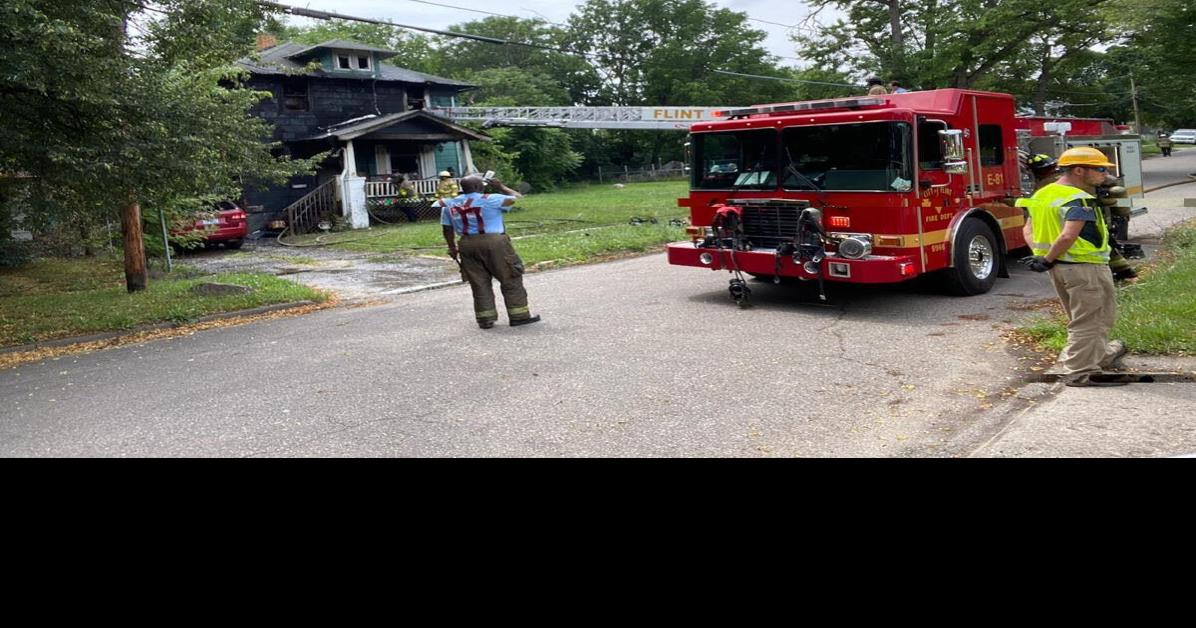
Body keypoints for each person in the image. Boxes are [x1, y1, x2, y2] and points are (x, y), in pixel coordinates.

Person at [1020, 146, 1127, 387]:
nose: (1104, 175)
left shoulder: (1042, 194)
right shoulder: (1079, 200)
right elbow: (1069, 236)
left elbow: (1027, 229)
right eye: (1099, 169)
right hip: (1085, 267)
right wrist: (1047, 258)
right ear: (1079, 170)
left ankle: (1096, 356)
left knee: (1093, 317)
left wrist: (1043, 257)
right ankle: (1080, 372)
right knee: (1089, 320)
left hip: (1060, 268)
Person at [440, 175, 541, 329]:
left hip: (466, 244)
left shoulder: (449, 204)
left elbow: (447, 229)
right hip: (495, 243)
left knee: (479, 282)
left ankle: (485, 319)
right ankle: (519, 315)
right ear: (478, 187)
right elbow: (517, 197)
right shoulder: (493, 199)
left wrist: (452, 247)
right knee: (510, 276)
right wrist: (500, 186)